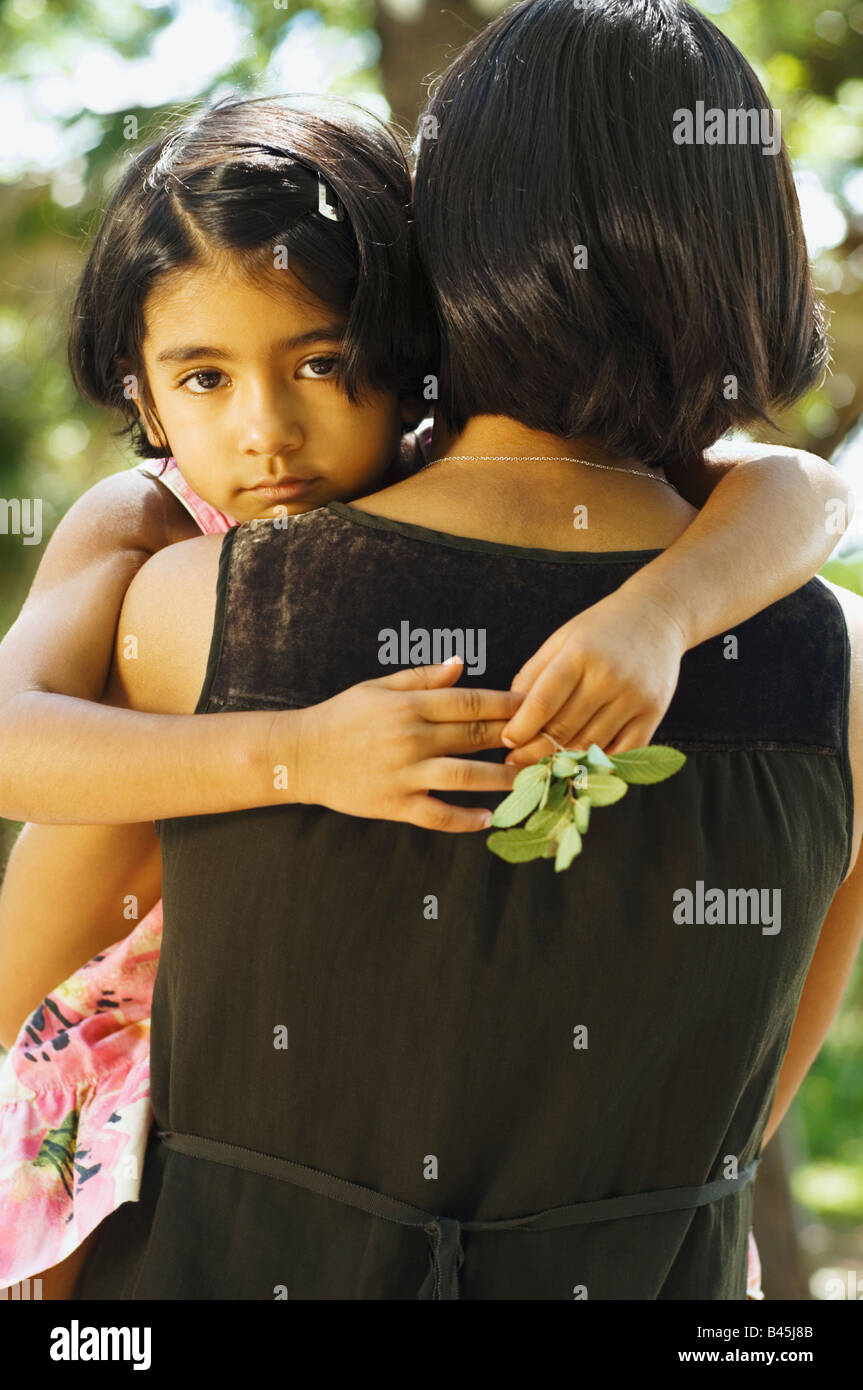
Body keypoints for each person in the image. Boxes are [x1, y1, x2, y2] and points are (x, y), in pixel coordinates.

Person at [1, 9, 856, 1301]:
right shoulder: (831, 665)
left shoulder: (189, 612)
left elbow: (16, 969)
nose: (267, 431)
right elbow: (735, 1119)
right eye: (205, 379)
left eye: (321, 361)